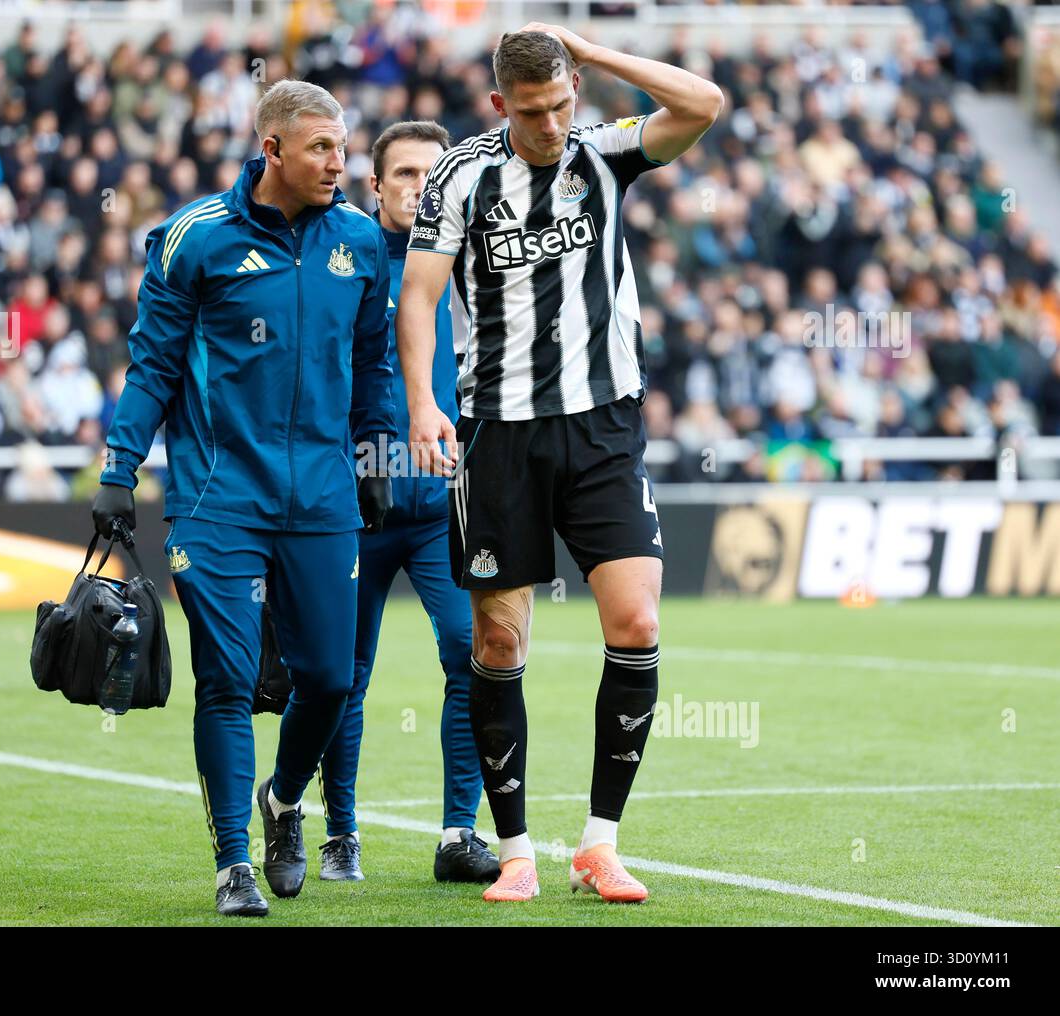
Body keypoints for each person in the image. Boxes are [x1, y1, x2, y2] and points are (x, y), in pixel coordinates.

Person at [396, 24, 722, 903]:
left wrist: (597, 52)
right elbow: (419, 294)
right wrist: (425, 404)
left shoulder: (605, 152)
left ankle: (600, 844)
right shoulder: (461, 175)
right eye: (531, 112)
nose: (548, 126)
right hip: (497, 432)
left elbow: (703, 104)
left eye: (561, 104)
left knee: (638, 624)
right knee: (498, 640)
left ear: (575, 90)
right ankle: (515, 851)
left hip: (603, 425)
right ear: (501, 104)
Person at [91, 79, 396, 917]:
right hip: (216, 499)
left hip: (325, 498)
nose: (341, 162)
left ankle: (283, 801)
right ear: (273, 152)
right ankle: (232, 863)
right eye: (323, 149)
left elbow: (372, 365)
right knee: (225, 678)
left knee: (332, 680)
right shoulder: (195, 238)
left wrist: (375, 453)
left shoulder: (362, 245)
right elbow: (151, 364)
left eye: (343, 146)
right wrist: (120, 471)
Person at [294, 121, 500, 885]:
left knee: (474, 655)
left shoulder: (472, 258)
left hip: (443, 502)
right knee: (343, 676)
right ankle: (339, 831)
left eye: (431, 173)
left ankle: (458, 832)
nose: (418, 185)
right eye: (403, 173)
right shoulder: (339, 255)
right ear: (373, 186)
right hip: (353, 509)